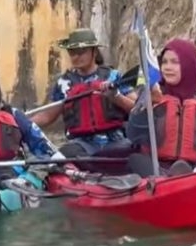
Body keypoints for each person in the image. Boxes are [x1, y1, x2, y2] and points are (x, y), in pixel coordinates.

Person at [124, 38, 196, 177]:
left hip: (193, 172)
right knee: (135, 160)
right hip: (155, 169)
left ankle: (179, 179)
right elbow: (134, 135)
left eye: (174, 62)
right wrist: (146, 104)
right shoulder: (154, 96)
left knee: (182, 168)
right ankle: (167, 181)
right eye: (164, 62)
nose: (167, 67)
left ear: (189, 65)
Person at [31, 28, 137, 157]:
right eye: (72, 52)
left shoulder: (113, 76)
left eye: (81, 52)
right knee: (63, 156)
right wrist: (20, 123)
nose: (76, 57)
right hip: (81, 144)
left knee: (134, 153)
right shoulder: (64, 83)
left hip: (115, 140)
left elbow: (136, 108)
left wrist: (116, 96)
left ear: (94, 52)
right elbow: (47, 116)